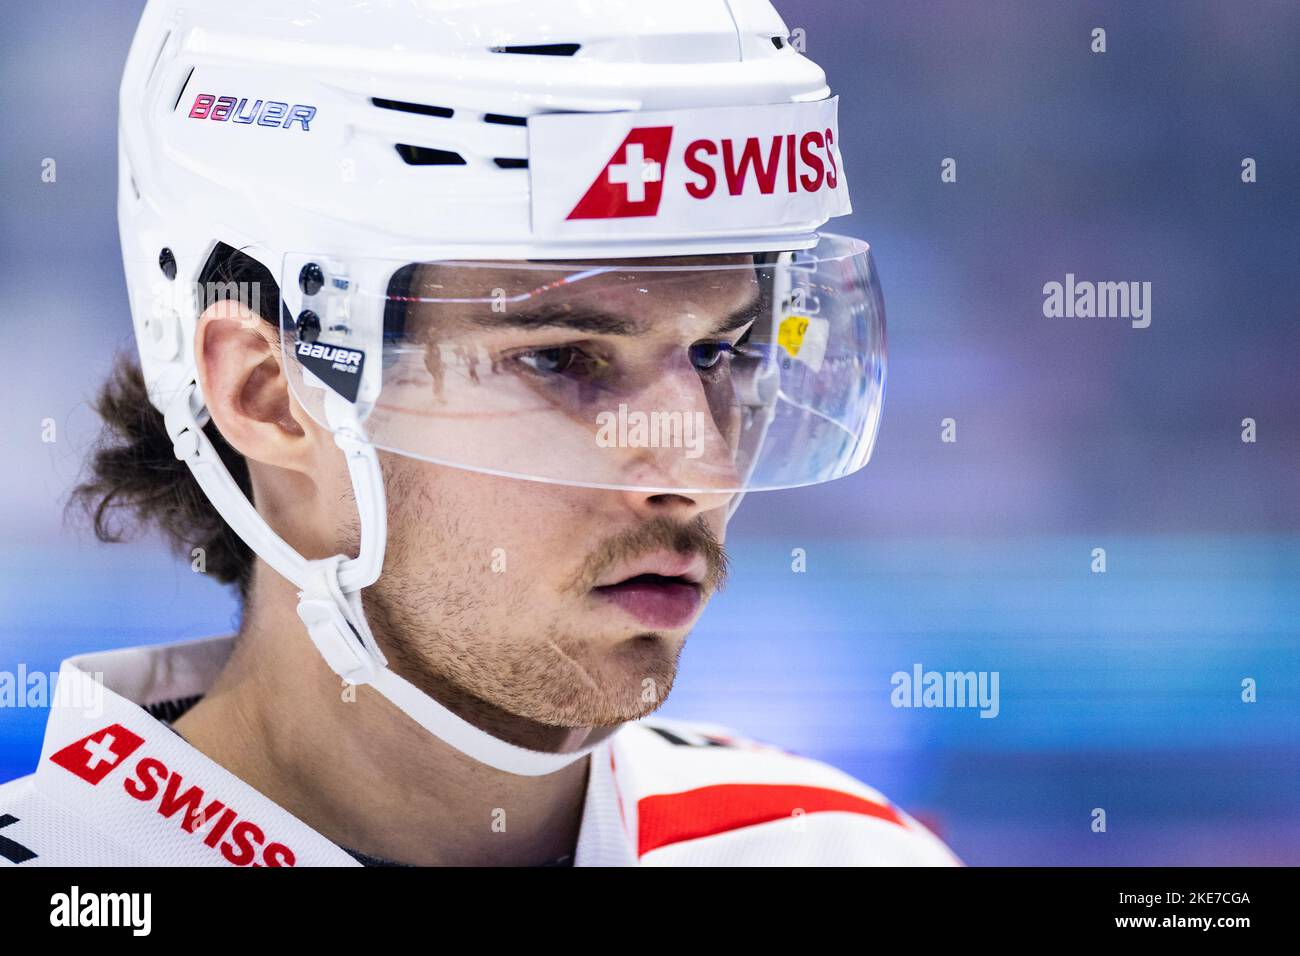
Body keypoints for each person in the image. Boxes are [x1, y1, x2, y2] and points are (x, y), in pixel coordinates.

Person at [0, 0, 959, 867]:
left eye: (722, 353)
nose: (698, 468)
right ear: (270, 395)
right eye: (562, 361)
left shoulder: (836, 850)